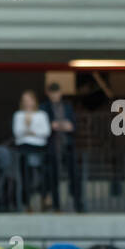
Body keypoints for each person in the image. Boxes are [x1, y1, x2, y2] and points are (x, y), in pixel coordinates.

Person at [12, 89, 51, 211]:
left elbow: (45, 132)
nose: (27, 103)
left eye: (30, 100)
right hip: (24, 148)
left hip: (39, 148)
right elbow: (17, 133)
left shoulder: (42, 115)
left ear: (34, 101)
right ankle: (27, 203)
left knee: (43, 176)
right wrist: (28, 127)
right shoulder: (18, 115)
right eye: (25, 100)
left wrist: (31, 131)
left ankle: (44, 199)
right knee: (26, 177)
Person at [44, 80, 80, 211]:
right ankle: (56, 206)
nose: (55, 95)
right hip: (52, 147)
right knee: (53, 177)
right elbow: (47, 125)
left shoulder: (67, 106)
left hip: (67, 145)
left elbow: (73, 125)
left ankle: (78, 204)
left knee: (74, 175)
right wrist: (57, 125)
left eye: (57, 92)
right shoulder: (44, 108)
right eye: (52, 93)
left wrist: (64, 126)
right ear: (48, 93)